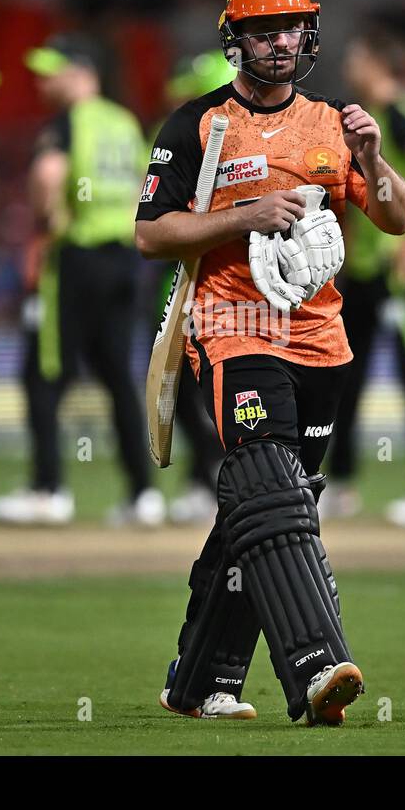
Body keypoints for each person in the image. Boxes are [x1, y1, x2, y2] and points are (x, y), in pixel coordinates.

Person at [135, 0, 405, 724]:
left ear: (308, 33)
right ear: (237, 39)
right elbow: (151, 233)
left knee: (261, 512)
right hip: (232, 331)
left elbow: (395, 217)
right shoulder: (196, 124)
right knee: (275, 493)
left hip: (323, 340)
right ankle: (317, 668)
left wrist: (373, 159)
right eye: (263, 30)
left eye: (289, 27)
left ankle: (199, 681)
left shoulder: (333, 124)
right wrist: (243, 215)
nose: (279, 41)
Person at [0, 35, 162, 526]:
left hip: (77, 259)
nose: (44, 80)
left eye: (53, 70)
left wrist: (48, 222)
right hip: (124, 262)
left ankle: (48, 489)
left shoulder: (66, 123)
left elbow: (46, 177)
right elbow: (146, 189)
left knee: (42, 372)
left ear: (80, 71)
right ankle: (143, 494)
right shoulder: (125, 123)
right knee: (116, 377)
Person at [324, 29, 405, 528]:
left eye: (358, 55)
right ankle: (339, 483)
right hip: (363, 271)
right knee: (343, 375)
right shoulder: (364, 116)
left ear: (378, 62)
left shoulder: (400, 115)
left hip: (399, 272)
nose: (349, 63)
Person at [154, 51, 236, 524]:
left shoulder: (221, 135)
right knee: (186, 381)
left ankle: (217, 477)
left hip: (222, 285)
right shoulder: (186, 131)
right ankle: (203, 476)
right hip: (184, 276)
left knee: (214, 383)